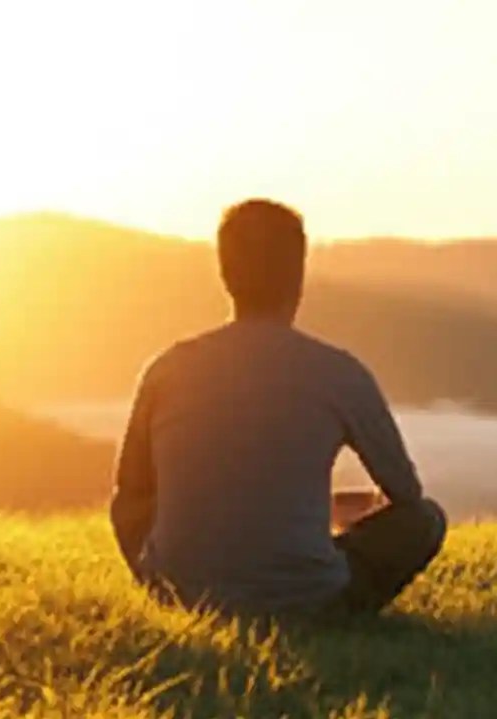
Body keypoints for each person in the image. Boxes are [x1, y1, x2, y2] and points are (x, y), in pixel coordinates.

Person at [110, 198, 446, 616]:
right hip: (309, 602)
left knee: (131, 505)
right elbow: (407, 495)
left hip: (180, 595)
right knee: (425, 520)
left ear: (224, 274)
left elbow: (130, 495)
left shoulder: (167, 369)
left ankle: (170, 586)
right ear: (299, 274)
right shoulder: (340, 373)